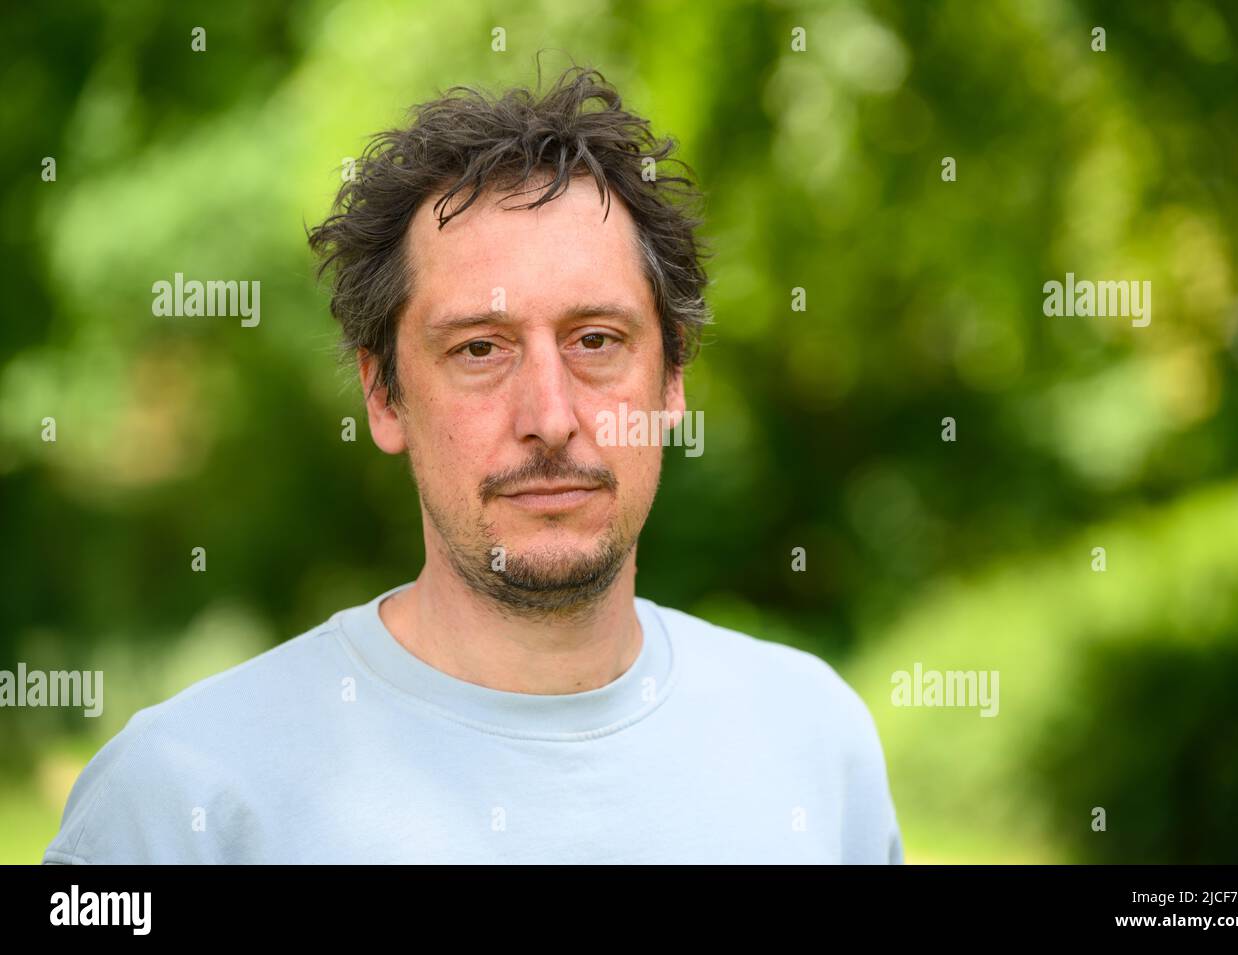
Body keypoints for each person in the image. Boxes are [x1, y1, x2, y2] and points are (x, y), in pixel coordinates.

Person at [43, 64, 903, 864]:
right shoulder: (181, 800)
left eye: (596, 340)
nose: (550, 419)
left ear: (672, 379)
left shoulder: (814, 743)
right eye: (481, 348)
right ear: (385, 397)